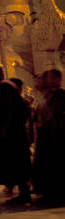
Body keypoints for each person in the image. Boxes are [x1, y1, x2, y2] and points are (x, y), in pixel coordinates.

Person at [0, 65, 32, 204]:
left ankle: (24, 192)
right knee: (3, 162)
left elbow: (8, 111)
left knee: (15, 163)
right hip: (6, 133)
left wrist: (3, 129)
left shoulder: (5, 88)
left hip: (11, 133)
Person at [32, 70, 65, 205]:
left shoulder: (60, 95)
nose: (49, 81)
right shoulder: (45, 96)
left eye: (52, 78)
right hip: (45, 134)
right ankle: (48, 191)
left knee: (56, 163)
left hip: (56, 134)